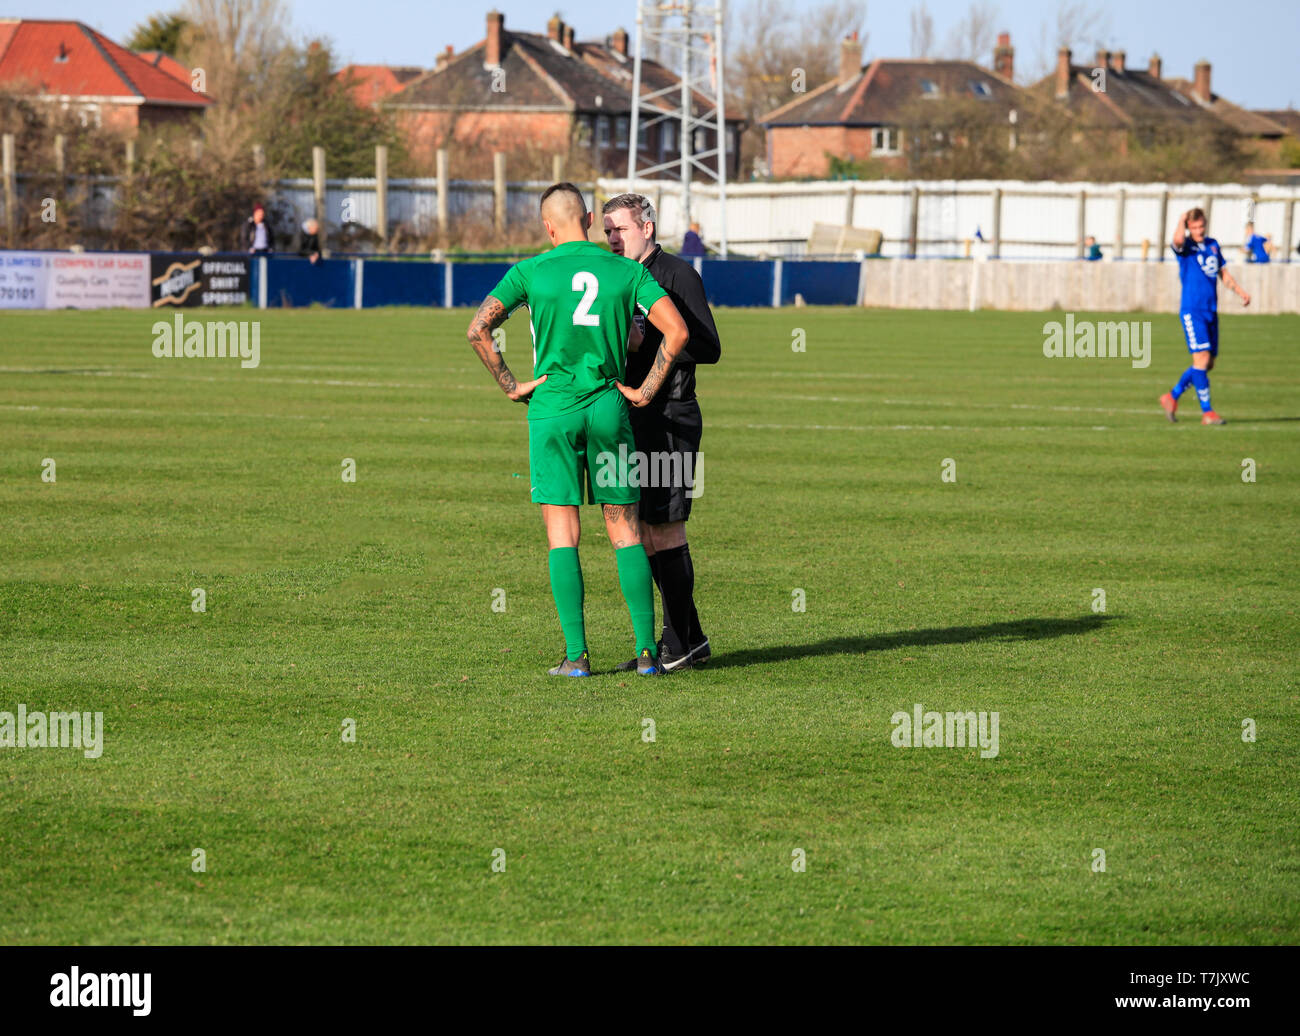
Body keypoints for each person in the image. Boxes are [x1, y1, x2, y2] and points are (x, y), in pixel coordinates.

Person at [465, 183, 689, 676]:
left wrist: (510, 383)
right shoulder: (626, 270)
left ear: (548, 226)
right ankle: (648, 654)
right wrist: (646, 390)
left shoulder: (529, 271)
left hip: (553, 411)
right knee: (626, 531)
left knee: (562, 535)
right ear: (589, 219)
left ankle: (576, 657)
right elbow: (678, 331)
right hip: (609, 407)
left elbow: (477, 328)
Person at [602, 193, 719, 671]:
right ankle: (684, 641)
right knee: (644, 532)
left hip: (671, 415)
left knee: (667, 530)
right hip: (633, 418)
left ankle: (681, 641)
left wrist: (652, 338)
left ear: (647, 227)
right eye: (606, 231)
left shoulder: (676, 274)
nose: (612, 239)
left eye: (620, 230)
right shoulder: (620, 277)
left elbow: (708, 346)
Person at [1160, 208, 1250, 426]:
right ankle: (1207, 413)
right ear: (1189, 227)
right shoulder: (1185, 247)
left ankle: (1172, 396)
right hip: (1193, 309)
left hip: (1211, 309)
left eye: (1201, 226)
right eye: (1194, 227)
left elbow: (1223, 273)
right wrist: (1181, 219)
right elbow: (1177, 239)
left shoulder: (1212, 244)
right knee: (1200, 359)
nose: (1199, 231)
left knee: (1207, 363)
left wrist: (1240, 291)